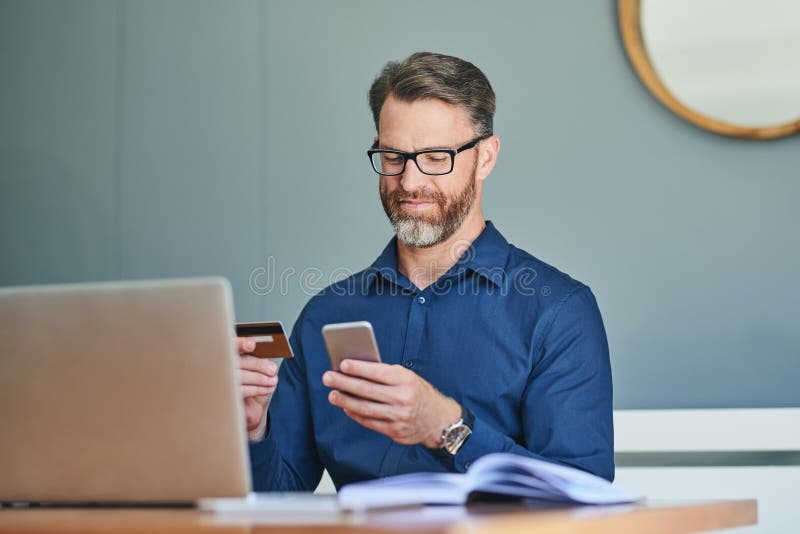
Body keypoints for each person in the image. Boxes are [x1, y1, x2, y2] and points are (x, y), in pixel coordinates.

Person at [236, 52, 614, 491]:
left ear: (486, 158)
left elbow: (585, 499)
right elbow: (276, 500)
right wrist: (253, 430)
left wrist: (448, 428)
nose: (411, 181)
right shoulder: (326, 315)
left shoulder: (559, 312)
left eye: (436, 157)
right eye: (394, 156)